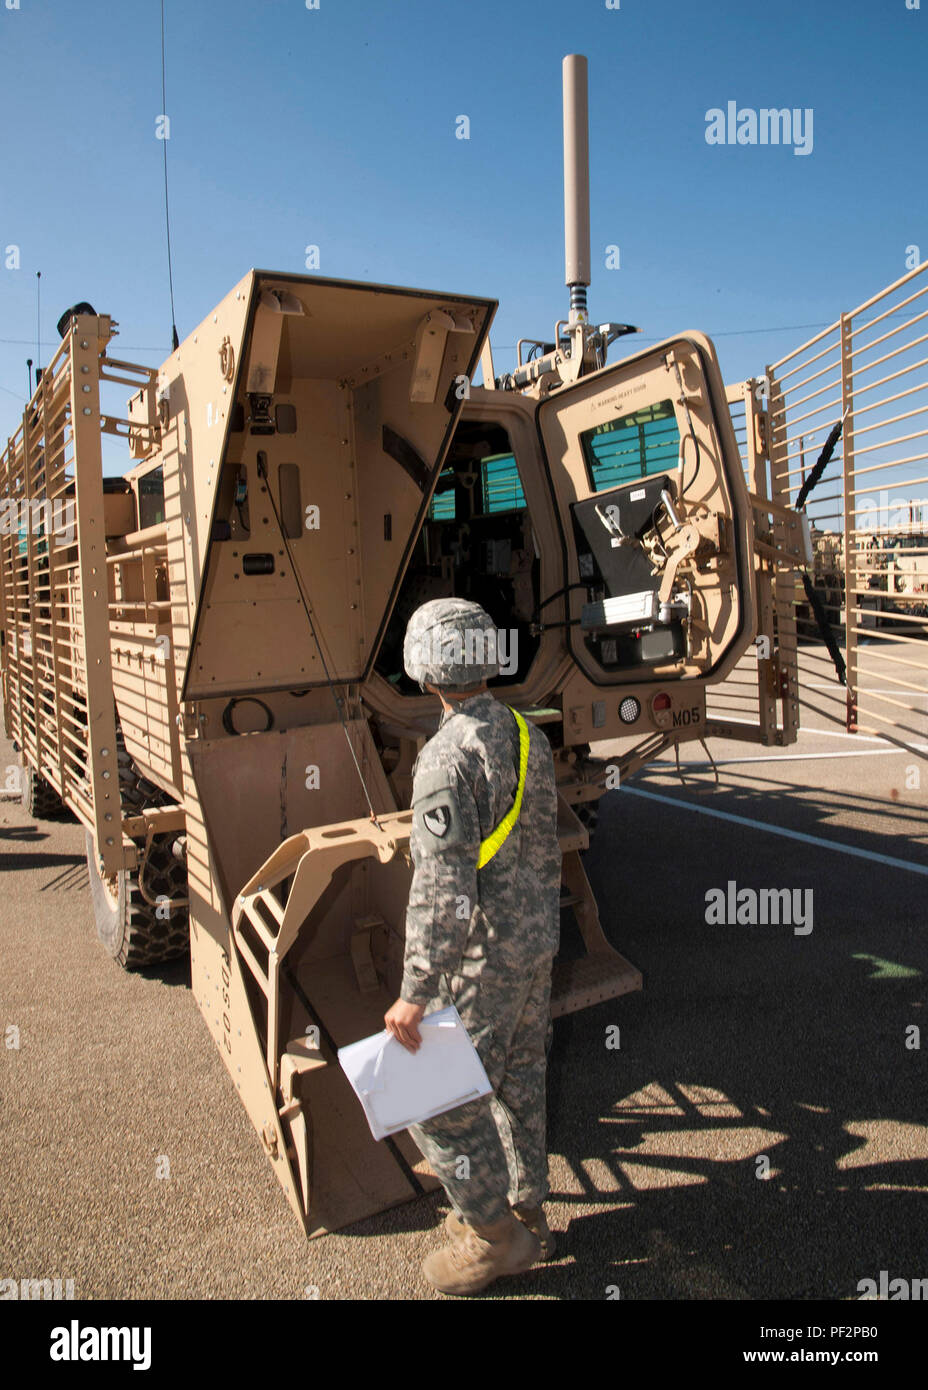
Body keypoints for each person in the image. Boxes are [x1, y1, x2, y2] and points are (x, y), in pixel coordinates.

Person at [384, 597, 562, 1295]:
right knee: (518, 1084)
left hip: (483, 956)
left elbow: (442, 887)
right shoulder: (527, 732)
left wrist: (414, 994)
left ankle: (492, 1237)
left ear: (424, 670)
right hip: (536, 943)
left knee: (432, 1100)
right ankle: (527, 1213)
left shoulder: (441, 760)